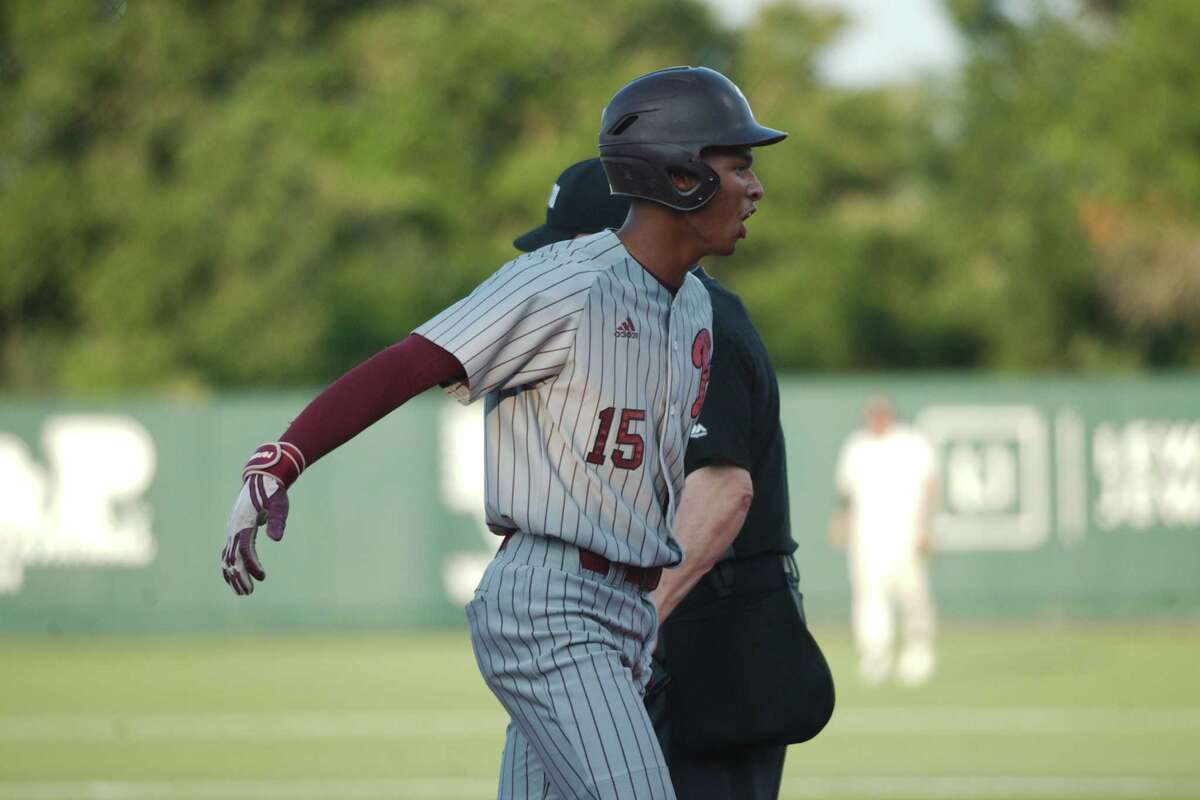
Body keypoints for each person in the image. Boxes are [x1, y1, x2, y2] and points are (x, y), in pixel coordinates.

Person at [220, 66, 785, 799]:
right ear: (680, 177)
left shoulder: (697, 312)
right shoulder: (563, 281)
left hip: (622, 614)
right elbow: (410, 362)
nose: (754, 185)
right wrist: (285, 458)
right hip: (552, 604)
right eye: (738, 165)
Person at [514, 159, 834, 800]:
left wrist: (631, 626)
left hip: (714, 647)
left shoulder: (698, 316)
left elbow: (720, 492)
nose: (556, 268)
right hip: (661, 638)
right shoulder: (624, 327)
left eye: (568, 247)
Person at [830, 395, 939, 686]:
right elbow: (846, 493)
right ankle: (875, 654)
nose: (876, 418)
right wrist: (842, 523)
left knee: (912, 594)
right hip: (867, 538)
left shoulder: (912, 442)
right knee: (869, 596)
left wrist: (927, 527)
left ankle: (918, 651)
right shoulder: (857, 446)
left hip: (906, 535)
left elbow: (930, 486)